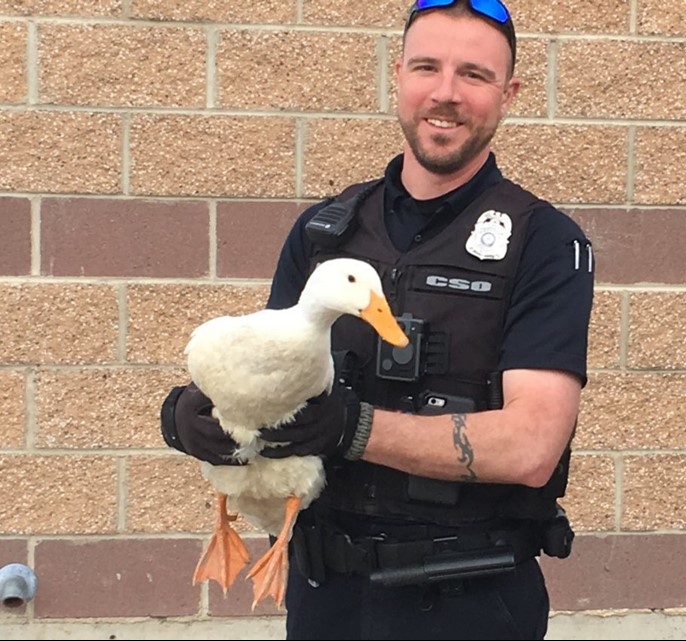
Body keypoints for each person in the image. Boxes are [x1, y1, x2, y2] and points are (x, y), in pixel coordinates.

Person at [159, 1, 594, 638]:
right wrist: (191, 415)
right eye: (427, 67)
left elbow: (532, 446)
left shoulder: (544, 243)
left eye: (474, 75)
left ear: (509, 93)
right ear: (397, 75)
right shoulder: (323, 231)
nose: (445, 94)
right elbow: (273, 372)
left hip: (471, 601)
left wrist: (352, 430)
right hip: (325, 597)